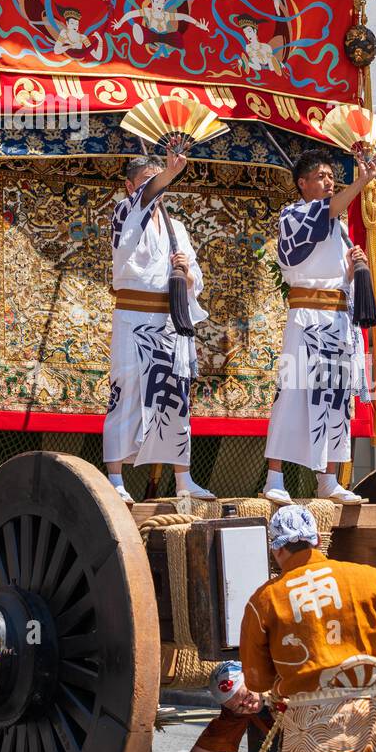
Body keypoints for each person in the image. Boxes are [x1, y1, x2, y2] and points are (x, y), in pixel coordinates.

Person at [240, 505, 376, 752]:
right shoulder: (366, 577)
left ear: (277, 548)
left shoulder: (264, 600)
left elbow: (257, 681)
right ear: (316, 540)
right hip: (364, 716)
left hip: (309, 724)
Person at [264, 149, 376, 506]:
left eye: (332, 177)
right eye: (322, 177)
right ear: (303, 183)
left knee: (336, 400)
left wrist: (353, 265)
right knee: (294, 391)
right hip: (308, 317)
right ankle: (274, 477)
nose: (329, 182)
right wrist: (362, 180)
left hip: (339, 320)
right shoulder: (293, 214)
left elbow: (339, 274)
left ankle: (328, 478)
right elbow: (326, 213)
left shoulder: (339, 228)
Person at [104, 151, 214, 502]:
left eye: (160, 180)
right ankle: (115, 478)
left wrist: (186, 270)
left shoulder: (176, 228)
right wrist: (168, 172)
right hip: (134, 318)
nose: (157, 186)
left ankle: (184, 480)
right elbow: (146, 196)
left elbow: (196, 279)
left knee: (174, 398)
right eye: (149, 180)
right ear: (130, 186)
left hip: (168, 320)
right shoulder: (125, 212)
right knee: (128, 391)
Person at [187, 660, 275, 752]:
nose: (248, 705)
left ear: (252, 679)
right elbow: (213, 740)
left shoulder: (282, 684)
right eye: (240, 707)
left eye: (248, 696)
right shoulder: (235, 712)